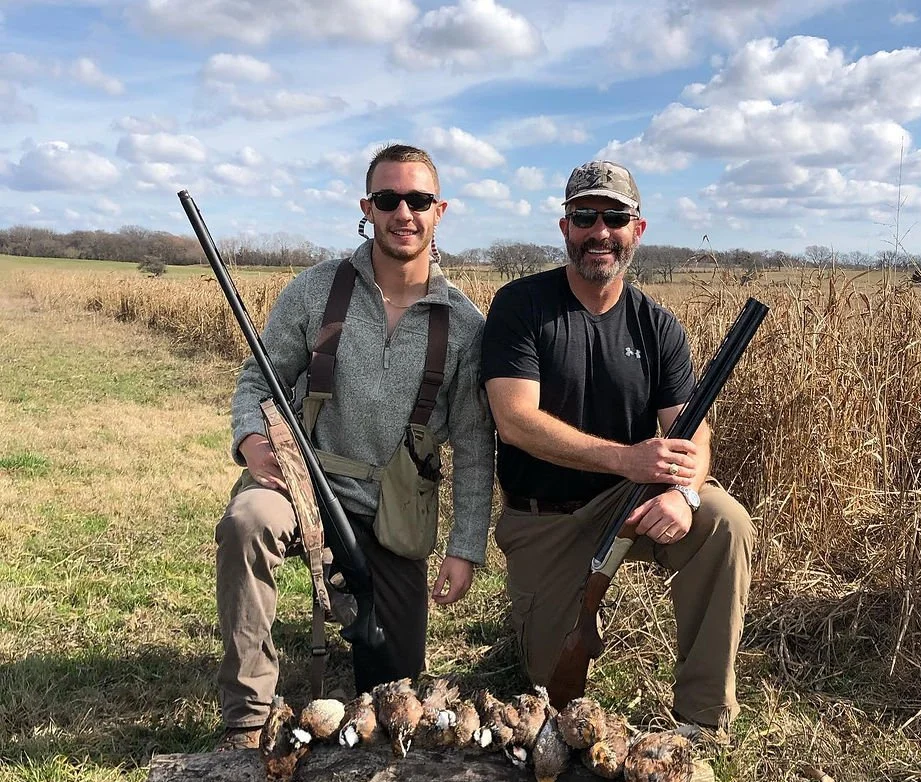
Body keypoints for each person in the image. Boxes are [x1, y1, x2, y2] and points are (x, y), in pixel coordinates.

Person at [215, 143, 494, 750]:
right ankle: (246, 714)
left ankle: (358, 628)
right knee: (247, 521)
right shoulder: (316, 291)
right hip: (303, 484)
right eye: (389, 199)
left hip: (397, 509)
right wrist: (251, 440)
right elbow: (257, 378)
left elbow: (475, 443)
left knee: (398, 688)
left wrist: (466, 547)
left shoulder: (465, 325)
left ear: (439, 211)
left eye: (418, 200)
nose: (404, 213)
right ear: (367, 208)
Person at [481, 160, 754, 737]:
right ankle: (555, 621)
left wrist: (684, 492)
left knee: (724, 521)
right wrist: (628, 458)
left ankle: (701, 721)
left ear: (638, 229)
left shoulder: (658, 326)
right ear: (565, 228)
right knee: (548, 693)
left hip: (631, 503)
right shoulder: (521, 306)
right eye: (585, 216)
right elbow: (515, 421)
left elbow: (691, 427)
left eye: (615, 217)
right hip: (546, 518)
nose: (599, 231)